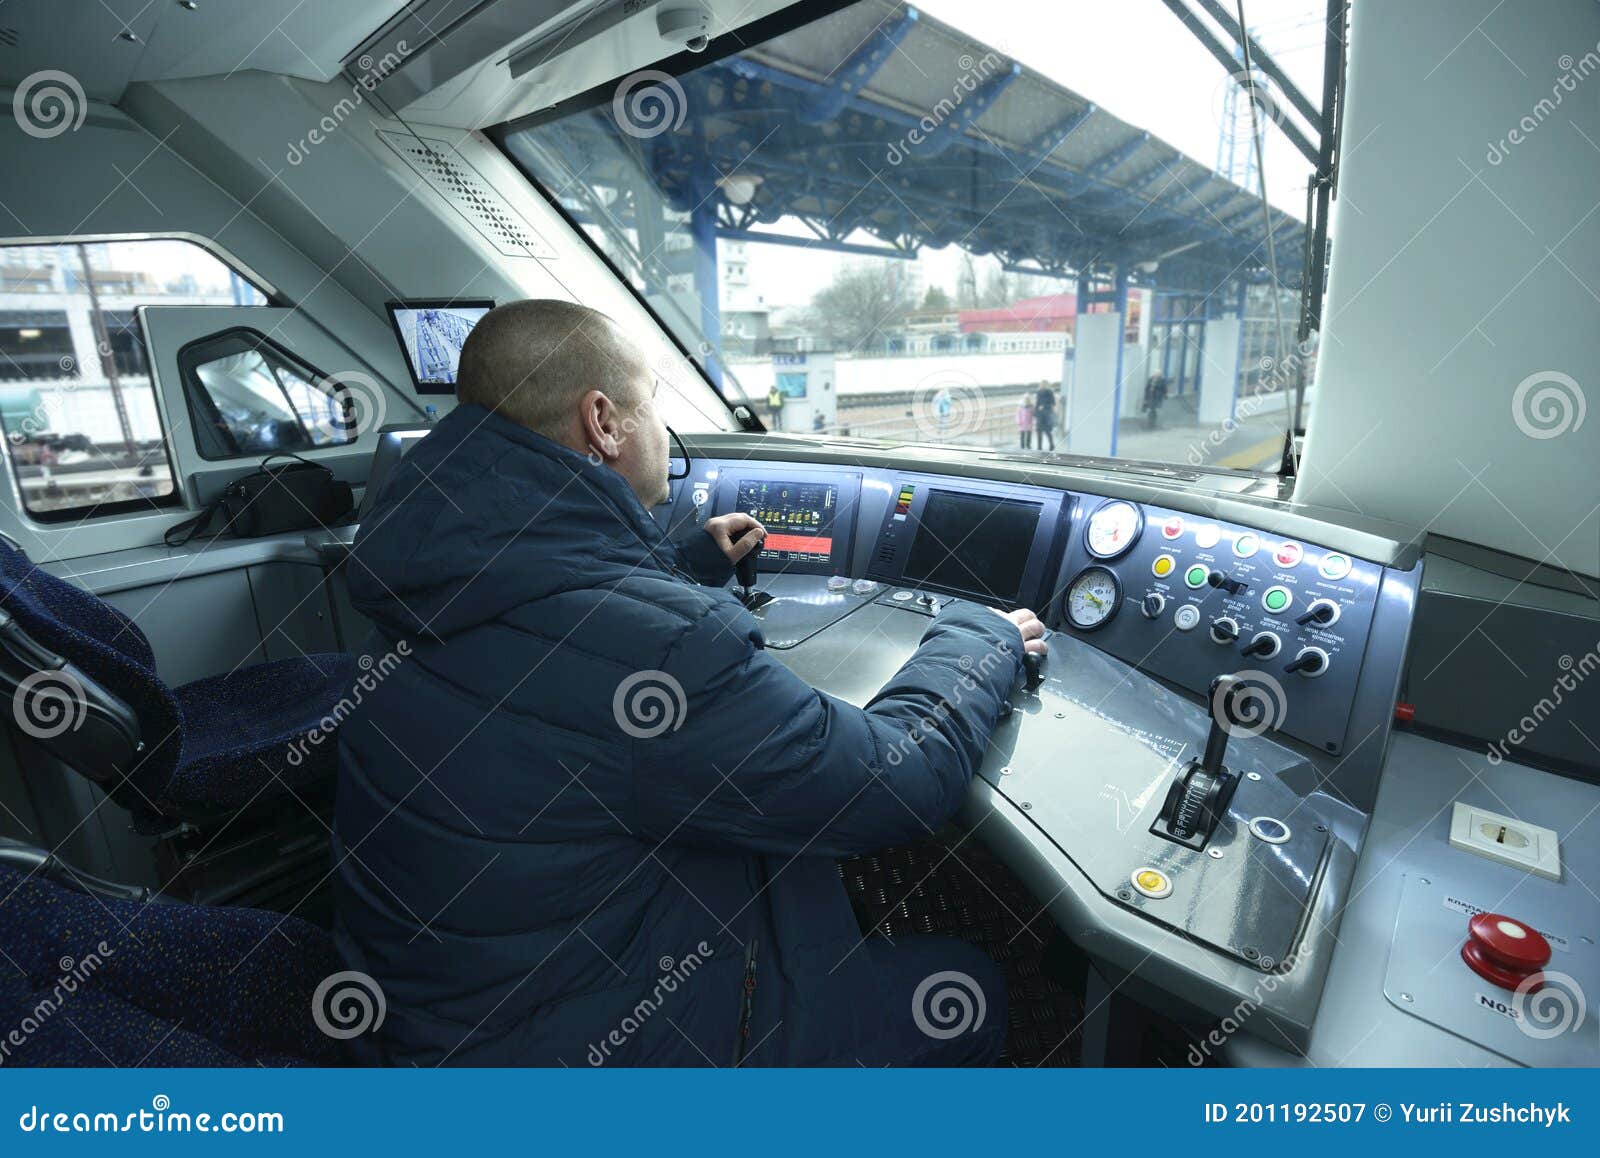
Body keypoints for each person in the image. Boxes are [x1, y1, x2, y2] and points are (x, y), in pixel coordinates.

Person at [334, 299, 1047, 1067]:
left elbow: (550, 647)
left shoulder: (430, 576)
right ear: (604, 422)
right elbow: (896, 783)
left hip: (433, 1015)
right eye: (651, 408)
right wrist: (984, 637)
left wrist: (676, 571)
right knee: (965, 990)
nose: (659, 433)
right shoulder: (666, 655)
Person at [1033, 382, 1058, 451]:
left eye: (1044, 384)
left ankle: (1051, 445)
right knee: (1039, 431)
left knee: (1048, 431)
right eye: (1041, 384)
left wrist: (1044, 406)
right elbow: (1037, 403)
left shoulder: (1050, 392)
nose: (1042, 385)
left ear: (1046, 385)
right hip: (1040, 415)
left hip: (1047, 414)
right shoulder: (1038, 392)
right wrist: (1035, 413)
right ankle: (1039, 447)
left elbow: (1053, 403)